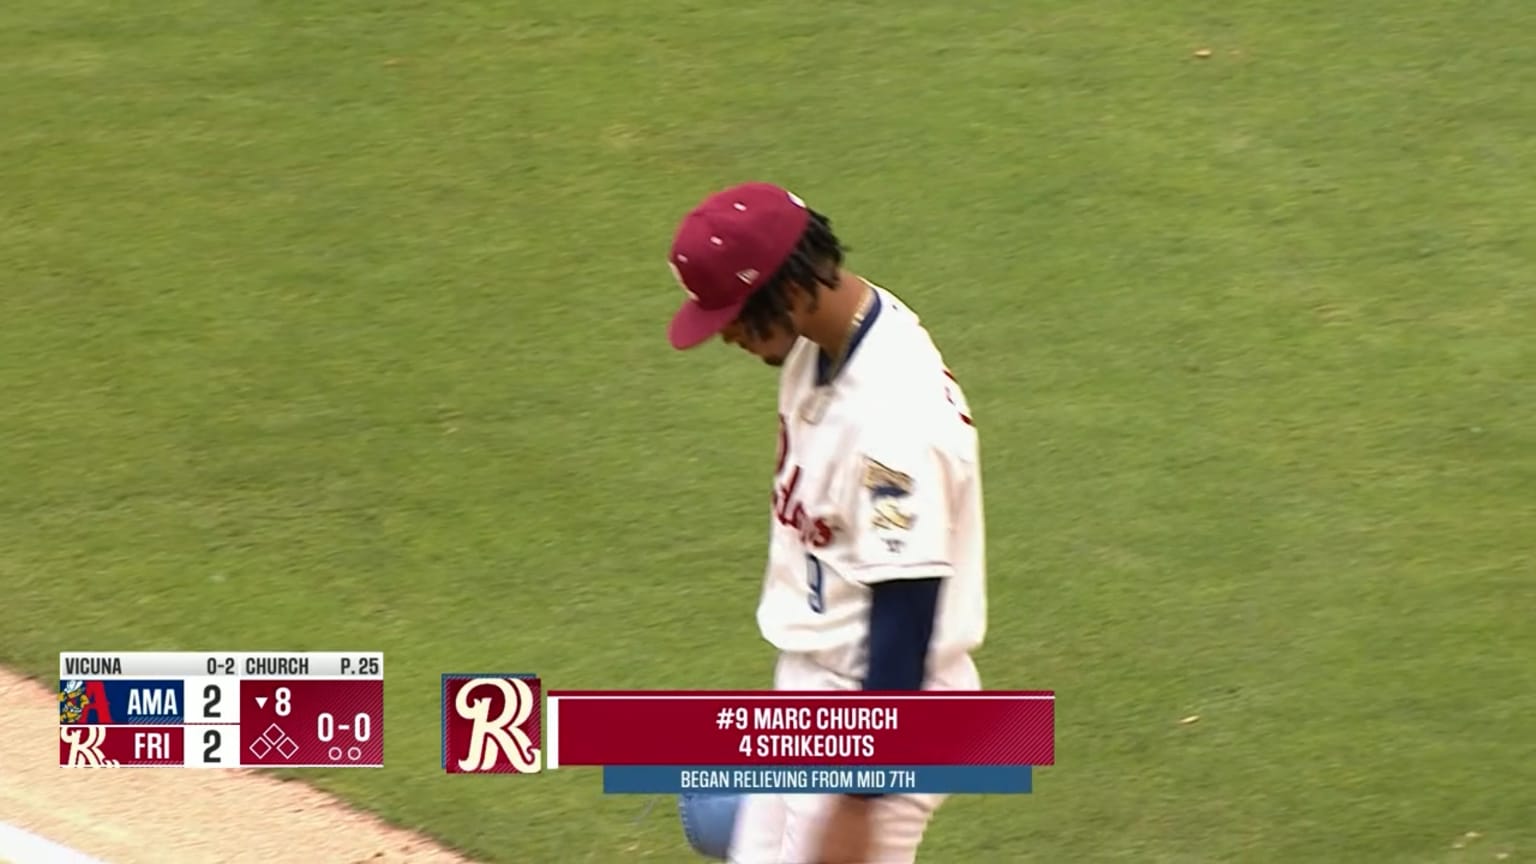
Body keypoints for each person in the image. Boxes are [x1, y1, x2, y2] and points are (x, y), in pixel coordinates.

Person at [666, 182, 988, 864]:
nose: (725, 333)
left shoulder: (895, 421)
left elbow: (906, 610)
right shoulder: (822, 340)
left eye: (734, 315)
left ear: (788, 288)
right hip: (819, 684)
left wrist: (860, 795)